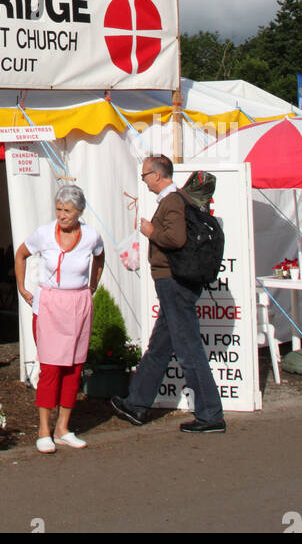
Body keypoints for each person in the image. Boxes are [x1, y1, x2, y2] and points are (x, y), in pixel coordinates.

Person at [111, 155, 225, 434]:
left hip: (173, 282)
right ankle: (137, 404)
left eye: (144, 175)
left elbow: (175, 239)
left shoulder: (172, 201)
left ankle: (210, 414)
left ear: (157, 175)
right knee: (160, 347)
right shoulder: (178, 200)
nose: (144, 181)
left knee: (188, 349)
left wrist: (151, 231)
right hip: (174, 282)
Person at [15, 183, 105, 452]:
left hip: (78, 303)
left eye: (67, 211)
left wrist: (92, 285)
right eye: (59, 209)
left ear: (79, 212)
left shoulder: (91, 236)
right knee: (51, 368)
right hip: (50, 304)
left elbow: (100, 258)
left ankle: (63, 428)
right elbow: (21, 254)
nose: (62, 215)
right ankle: (44, 429)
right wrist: (23, 288)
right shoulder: (44, 233)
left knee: (73, 367)